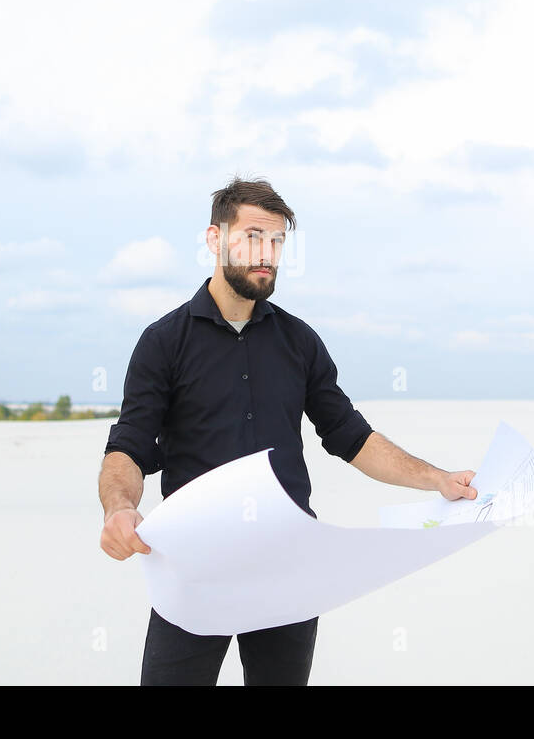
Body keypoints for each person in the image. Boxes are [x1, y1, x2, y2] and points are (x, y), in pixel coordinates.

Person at [98, 174, 480, 685]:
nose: (267, 253)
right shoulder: (163, 342)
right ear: (215, 239)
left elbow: (351, 436)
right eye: (254, 236)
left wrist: (436, 480)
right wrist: (120, 507)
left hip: (288, 567)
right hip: (192, 568)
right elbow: (129, 446)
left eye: (278, 241)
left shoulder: (299, 342)